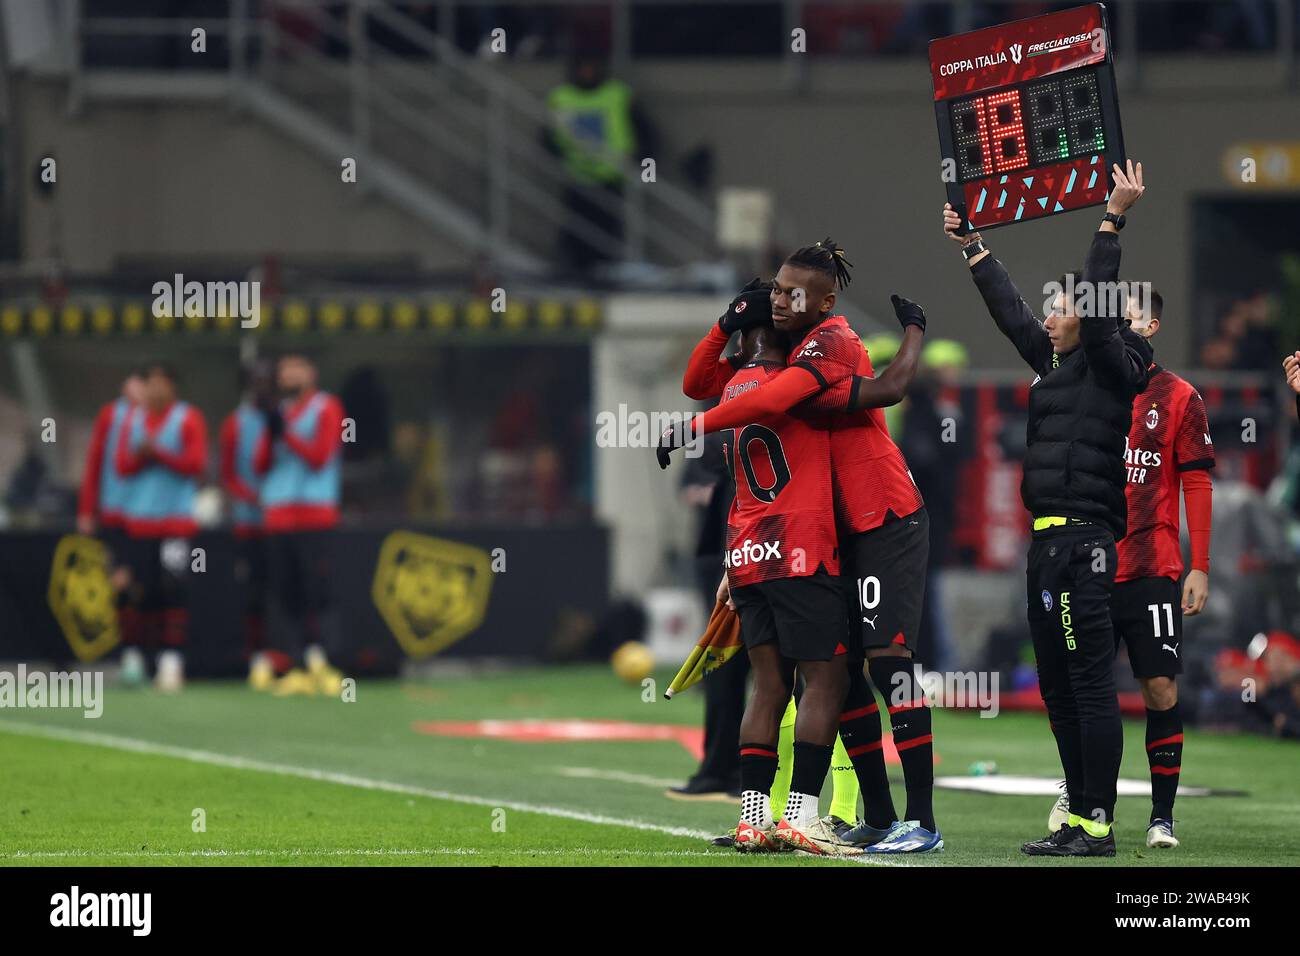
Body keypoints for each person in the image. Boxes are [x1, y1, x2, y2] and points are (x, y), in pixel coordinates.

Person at [661, 243, 941, 854]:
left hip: (882, 517)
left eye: (793, 293)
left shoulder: (828, 343)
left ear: (826, 302)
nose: (782, 302)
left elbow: (889, 387)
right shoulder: (779, 368)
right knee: (835, 678)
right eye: (777, 293)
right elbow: (712, 384)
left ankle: (918, 820)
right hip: (821, 538)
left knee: (885, 666)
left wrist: (695, 422)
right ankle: (864, 814)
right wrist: (731, 323)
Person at [944, 160, 1150, 857]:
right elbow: (1009, 314)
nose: (1048, 315)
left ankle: (1097, 823)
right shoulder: (1054, 369)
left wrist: (1111, 219)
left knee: (1089, 684)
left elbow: (1095, 307)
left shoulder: (1111, 365)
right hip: (1045, 545)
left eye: (1058, 306)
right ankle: (1076, 815)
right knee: (1059, 689)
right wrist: (974, 248)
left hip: (1087, 542)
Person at [1043, 286, 1214, 850]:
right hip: (1087, 565)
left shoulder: (1179, 396)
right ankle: (1084, 798)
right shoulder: (1087, 381)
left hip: (1150, 566)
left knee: (1159, 687)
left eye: (1133, 317)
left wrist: (1200, 566)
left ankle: (1161, 816)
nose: (1120, 324)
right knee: (1078, 689)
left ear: (1154, 326)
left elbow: (1195, 479)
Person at [113, 362, 208, 692]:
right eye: (149, 383)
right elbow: (121, 466)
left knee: (174, 587)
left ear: (172, 387)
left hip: (175, 523)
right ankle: (134, 659)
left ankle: (171, 662)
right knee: (135, 590)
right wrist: (142, 456)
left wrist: (161, 454)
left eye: (160, 383)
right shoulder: (133, 419)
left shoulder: (188, 418)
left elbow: (196, 465)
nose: (154, 390)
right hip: (139, 522)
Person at [253, 354, 345, 696]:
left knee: (318, 590)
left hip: (315, 514)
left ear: (312, 373)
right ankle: (293, 664)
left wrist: (287, 434)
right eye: (284, 369)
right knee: (285, 593)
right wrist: (272, 429)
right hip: (279, 516)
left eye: (297, 368)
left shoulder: (326, 407)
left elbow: (321, 456)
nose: (290, 374)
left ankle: (324, 662)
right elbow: (260, 464)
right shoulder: (279, 412)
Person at [544, 53, 655, 274]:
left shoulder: (617, 94)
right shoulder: (562, 97)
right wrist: (561, 155)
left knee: (608, 228)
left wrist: (641, 158)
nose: (587, 73)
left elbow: (644, 130)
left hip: (611, 176)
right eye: (583, 67)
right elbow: (549, 136)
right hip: (577, 175)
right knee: (576, 228)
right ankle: (575, 270)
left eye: (591, 67)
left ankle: (606, 271)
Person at [77, 370, 145, 674]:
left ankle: (148, 654)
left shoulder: (160, 417)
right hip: (115, 514)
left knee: (146, 584)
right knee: (118, 583)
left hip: (148, 517)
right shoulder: (111, 415)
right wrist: (87, 509)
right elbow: (94, 462)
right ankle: (125, 654)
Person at [220, 358, 274, 689]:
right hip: (248, 522)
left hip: (282, 521)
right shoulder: (235, 424)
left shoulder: (283, 418)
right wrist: (251, 498)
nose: (262, 386)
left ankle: (286, 655)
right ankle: (255, 655)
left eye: (267, 379)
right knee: (252, 590)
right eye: (256, 380)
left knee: (281, 590)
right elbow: (228, 474)